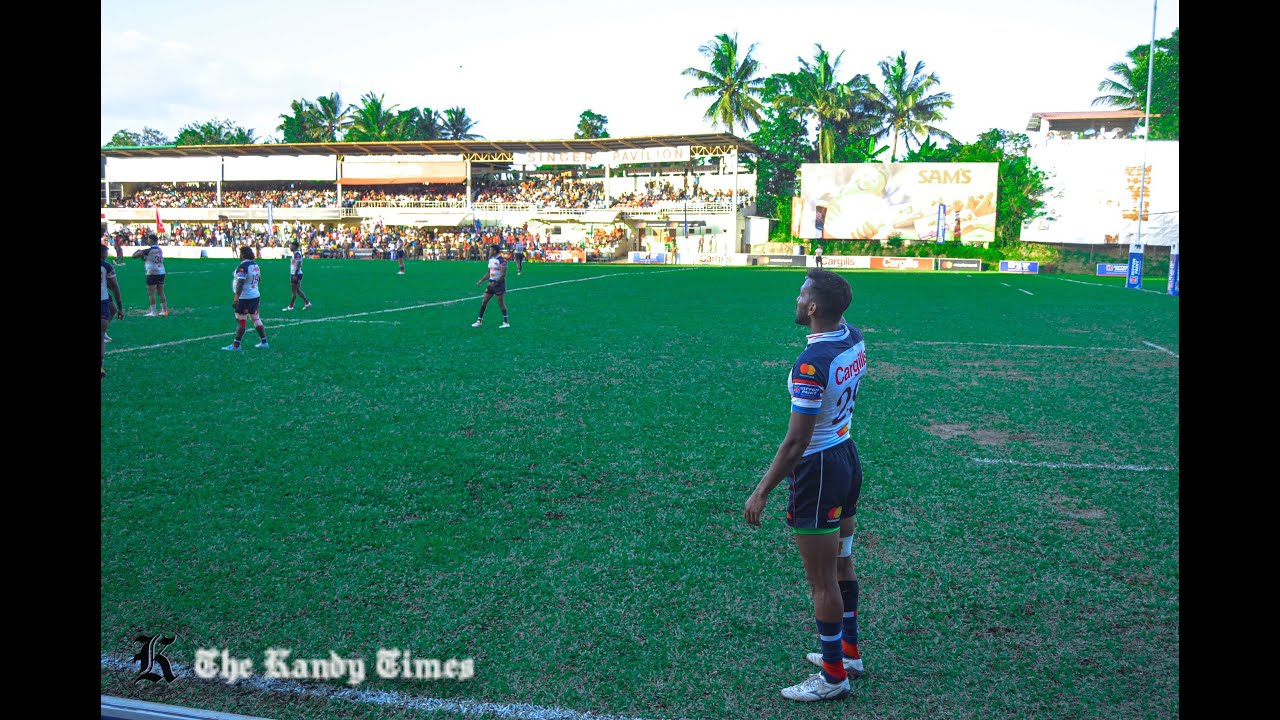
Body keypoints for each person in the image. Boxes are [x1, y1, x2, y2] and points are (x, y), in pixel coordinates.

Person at [743, 268, 868, 703]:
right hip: (846, 455)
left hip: (817, 471)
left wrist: (761, 491)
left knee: (822, 581)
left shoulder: (810, 365)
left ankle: (835, 677)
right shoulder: (852, 337)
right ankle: (849, 654)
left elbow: (796, 442)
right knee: (842, 565)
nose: (796, 301)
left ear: (813, 308)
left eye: (801, 295)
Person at [222, 245, 269, 350]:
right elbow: (259, 280)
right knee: (256, 318)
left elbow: (240, 282)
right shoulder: (255, 265)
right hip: (255, 295)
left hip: (244, 297)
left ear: (243, 254)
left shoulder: (243, 267)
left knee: (241, 320)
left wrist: (236, 297)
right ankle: (264, 342)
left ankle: (236, 345)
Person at [471, 245, 510, 328]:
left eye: (491, 250)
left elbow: (503, 274)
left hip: (499, 284)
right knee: (484, 301)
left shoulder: (502, 261)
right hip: (491, 283)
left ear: (495, 251)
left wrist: (495, 283)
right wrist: (481, 280)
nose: (489, 251)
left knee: (501, 303)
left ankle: (506, 323)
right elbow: (489, 273)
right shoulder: (491, 260)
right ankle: (479, 321)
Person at [101, 243, 124, 378]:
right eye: (106, 252)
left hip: (104, 298)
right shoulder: (106, 266)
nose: (107, 254)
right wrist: (121, 306)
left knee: (112, 311)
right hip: (102, 300)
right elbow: (114, 285)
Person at [131, 234, 168, 316]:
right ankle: (164, 310)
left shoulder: (147, 251)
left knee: (151, 293)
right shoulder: (160, 249)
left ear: (150, 240)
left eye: (148, 240)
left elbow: (133, 256)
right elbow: (147, 259)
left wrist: (138, 251)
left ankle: (153, 312)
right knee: (161, 292)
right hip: (161, 271)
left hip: (152, 273)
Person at [282, 241, 312, 311]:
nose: (290, 247)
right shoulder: (296, 254)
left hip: (296, 274)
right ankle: (307, 303)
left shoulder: (297, 254)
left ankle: (291, 306)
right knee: (297, 290)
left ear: (295, 246)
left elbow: (298, 264)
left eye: (291, 246)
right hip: (297, 274)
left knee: (294, 291)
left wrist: (295, 275)